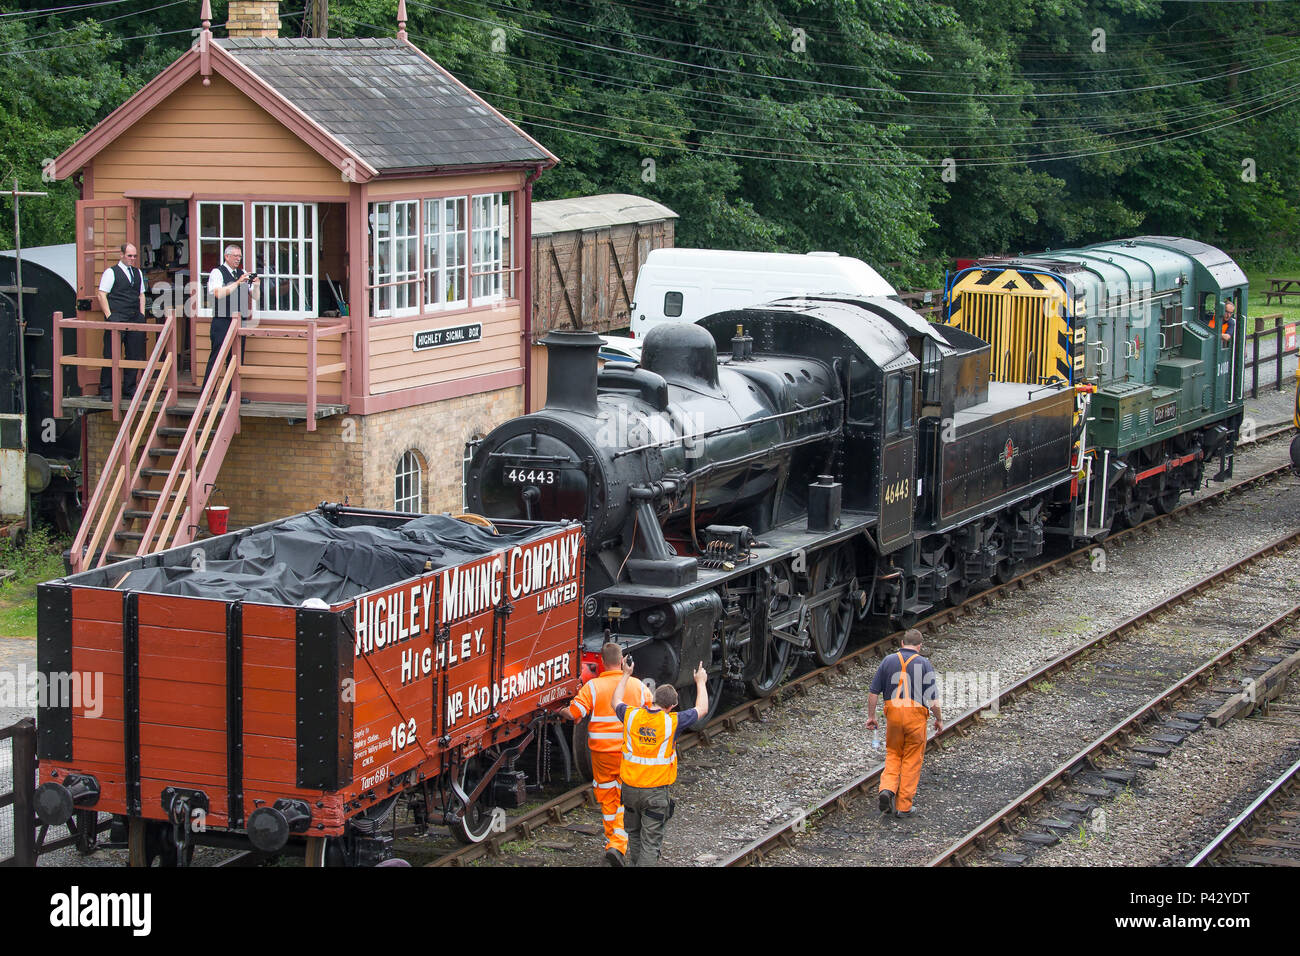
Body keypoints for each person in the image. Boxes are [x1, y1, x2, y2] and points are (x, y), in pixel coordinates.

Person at [611, 659, 707, 866]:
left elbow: (615, 701)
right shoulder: (672, 721)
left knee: (634, 835)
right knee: (650, 842)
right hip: (654, 792)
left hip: (629, 790)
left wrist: (626, 674)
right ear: (672, 706)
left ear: (653, 699)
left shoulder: (631, 715)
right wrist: (700, 681)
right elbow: (702, 708)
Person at [565, 642, 650, 867]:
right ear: (622, 661)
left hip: (601, 754)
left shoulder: (593, 687)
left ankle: (614, 842)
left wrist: (559, 710)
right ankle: (618, 843)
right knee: (626, 797)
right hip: (627, 752)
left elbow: (575, 713)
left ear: (602, 662)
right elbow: (651, 715)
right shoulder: (638, 686)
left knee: (607, 798)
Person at [865, 630, 943, 818]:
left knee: (893, 753)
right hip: (915, 715)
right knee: (911, 759)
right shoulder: (924, 664)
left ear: (901, 642)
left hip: (893, 714)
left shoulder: (888, 661)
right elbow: (932, 699)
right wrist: (939, 719)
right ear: (920, 646)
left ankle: (887, 789)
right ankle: (904, 806)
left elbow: (873, 693)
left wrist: (871, 717)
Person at [206, 244, 258, 402]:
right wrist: (237, 283)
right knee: (217, 358)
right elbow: (217, 294)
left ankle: (233, 395)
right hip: (222, 321)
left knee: (237, 359)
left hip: (239, 322)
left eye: (240, 256)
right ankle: (206, 395)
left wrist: (256, 285)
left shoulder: (242, 273)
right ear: (226, 256)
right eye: (235, 256)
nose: (238, 259)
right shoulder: (217, 272)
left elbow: (255, 297)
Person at [96, 243, 147, 399]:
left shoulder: (137, 272)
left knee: (134, 353)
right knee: (112, 353)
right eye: (129, 255)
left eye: (134, 256)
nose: (132, 259)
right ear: (121, 254)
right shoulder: (111, 272)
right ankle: (106, 389)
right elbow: (101, 294)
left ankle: (129, 388)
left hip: (134, 317)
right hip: (117, 316)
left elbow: (141, 295)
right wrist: (109, 316)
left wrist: (142, 315)